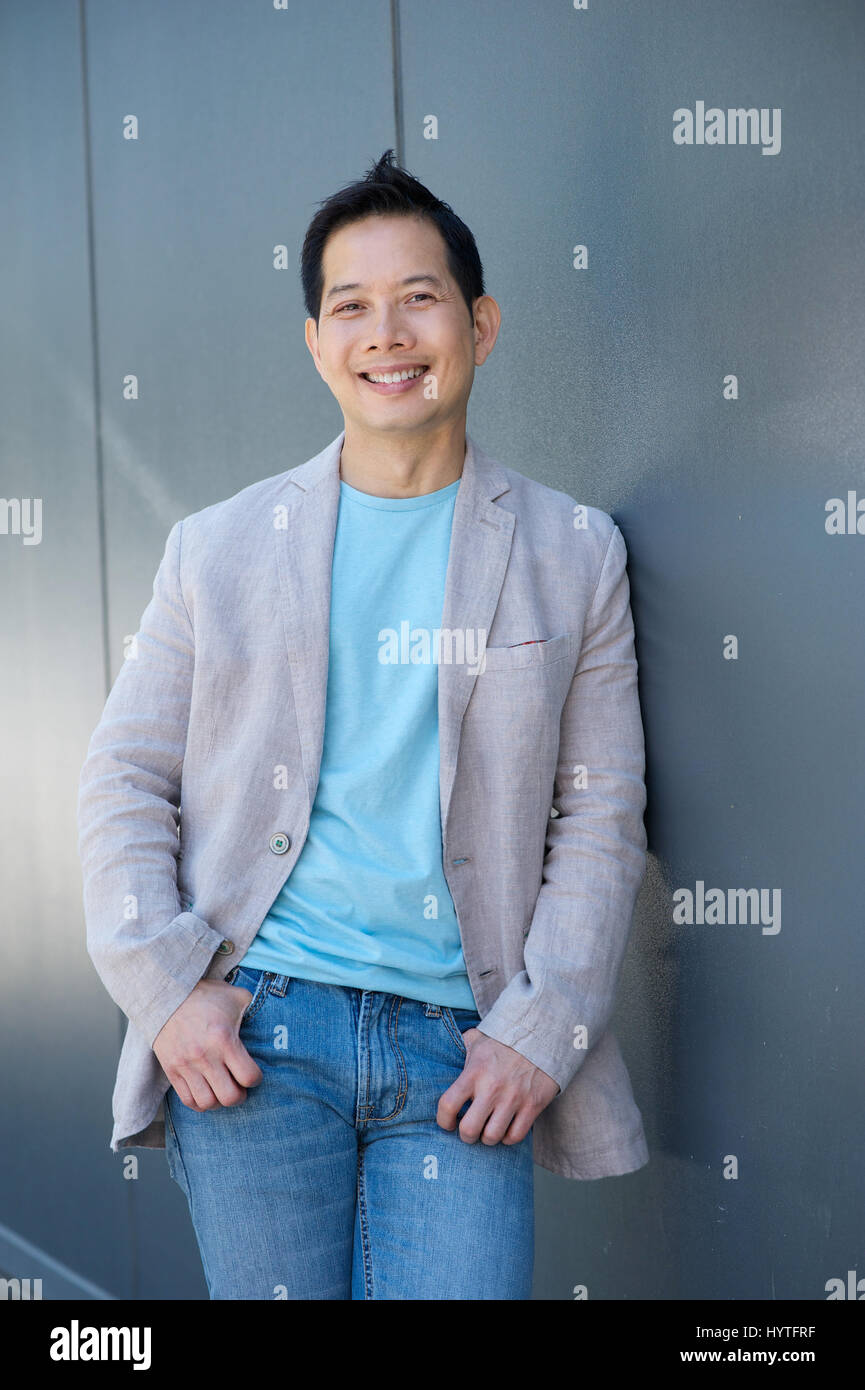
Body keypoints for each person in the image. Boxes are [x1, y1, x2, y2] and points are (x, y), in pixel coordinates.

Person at [78, 149, 649, 1301]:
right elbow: (124, 780)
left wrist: (543, 1026)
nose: (386, 333)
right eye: (352, 307)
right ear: (316, 344)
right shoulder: (217, 548)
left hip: (462, 1049)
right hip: (258, 1040)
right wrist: (167, 989)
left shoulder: (571, 551)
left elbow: (600, 808)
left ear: (479, 326)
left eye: (419, 297)